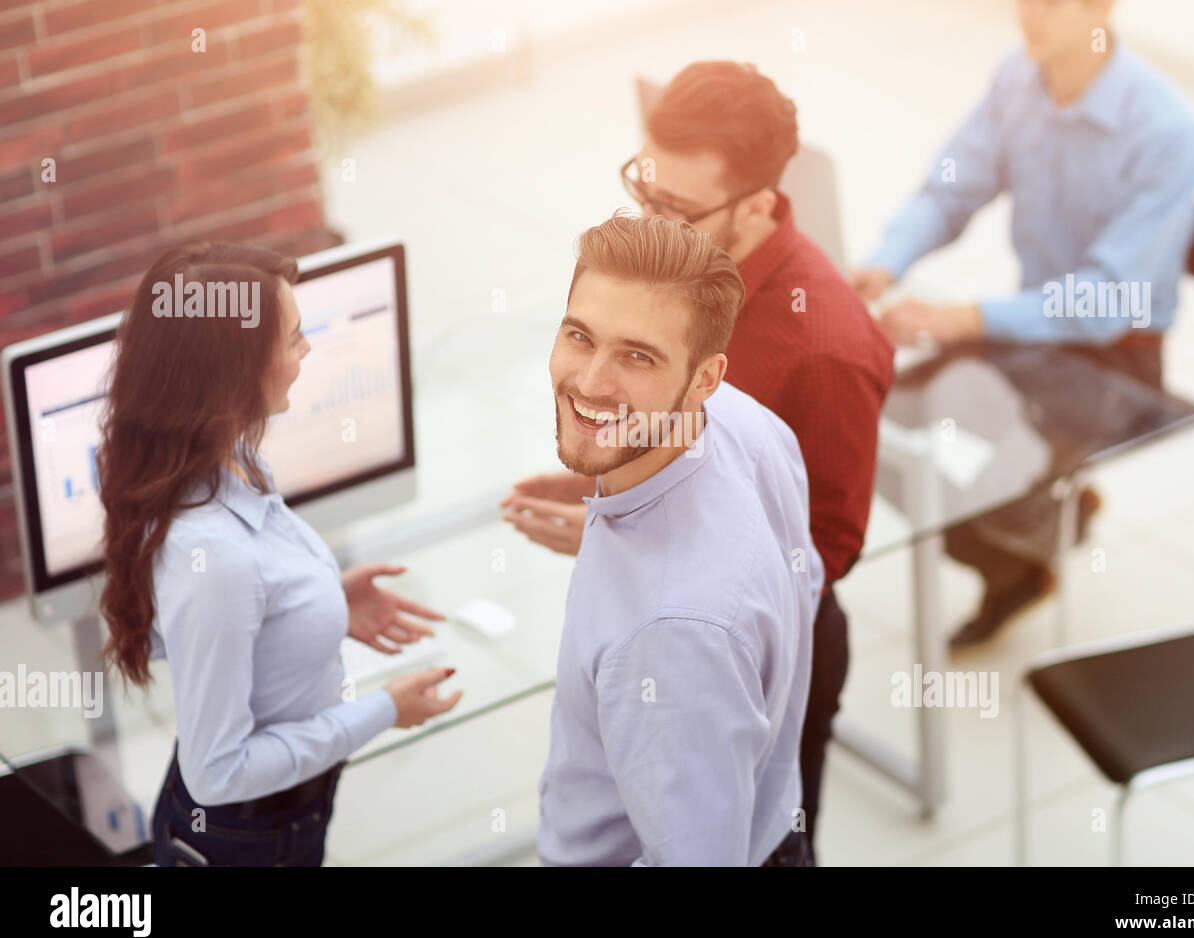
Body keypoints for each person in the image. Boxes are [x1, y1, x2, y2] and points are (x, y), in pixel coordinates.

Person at [503, 61, 893, 855]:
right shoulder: (727, 394)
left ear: (757, 204)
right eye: (640, 187)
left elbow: (824, 547)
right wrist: (608, 487)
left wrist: (636, 555)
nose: (649, 216)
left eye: (673, 207)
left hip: (765, 648)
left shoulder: (825, 350)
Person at [851, 0, 1194, 651]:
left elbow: (1105, 304)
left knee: (967, 483)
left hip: (1117, 357)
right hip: (1025, 330)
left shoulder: (1167, 131)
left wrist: (964, 318)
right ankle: (1046, 518)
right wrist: (885, 262)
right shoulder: (1019, 78)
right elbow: (950, 189)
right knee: (876, 428)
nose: (1027, 15)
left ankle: (1029, 552)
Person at [98, 241, 462, 867]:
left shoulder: (229, 463)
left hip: (287, 814)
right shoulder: (212, 554)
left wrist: (321, 601)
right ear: (235, 370)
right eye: (293, 339)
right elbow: (217, 771)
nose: (307, 351)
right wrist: (385, 709)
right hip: (249, 837)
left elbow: (221, 616)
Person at [536, 213, 822, 866]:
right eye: (580, 335)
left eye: (638, 355)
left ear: (704, 376)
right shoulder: (745, 421)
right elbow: (804, 577)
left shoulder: (670, 633)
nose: (591, 381)